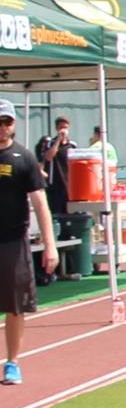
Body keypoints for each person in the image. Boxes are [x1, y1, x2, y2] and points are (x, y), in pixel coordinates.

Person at [0, 100, 59, 386]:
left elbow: (40, 203)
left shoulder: (23, 158)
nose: (2, 127)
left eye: (6, 121)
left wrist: (50, 244)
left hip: (13, 241)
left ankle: (12, 362)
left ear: (14, 124)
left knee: (15, 306)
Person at [35, 115, 70, 214]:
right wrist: (58, 140)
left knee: (68, 213)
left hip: (68, 185)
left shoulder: (72, 145)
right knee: (55, 213)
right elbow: (48, 157)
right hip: (54, 185)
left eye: (65, 127)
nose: (63, 130)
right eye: (61, 127)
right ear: (57, 129)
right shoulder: (50, 143)